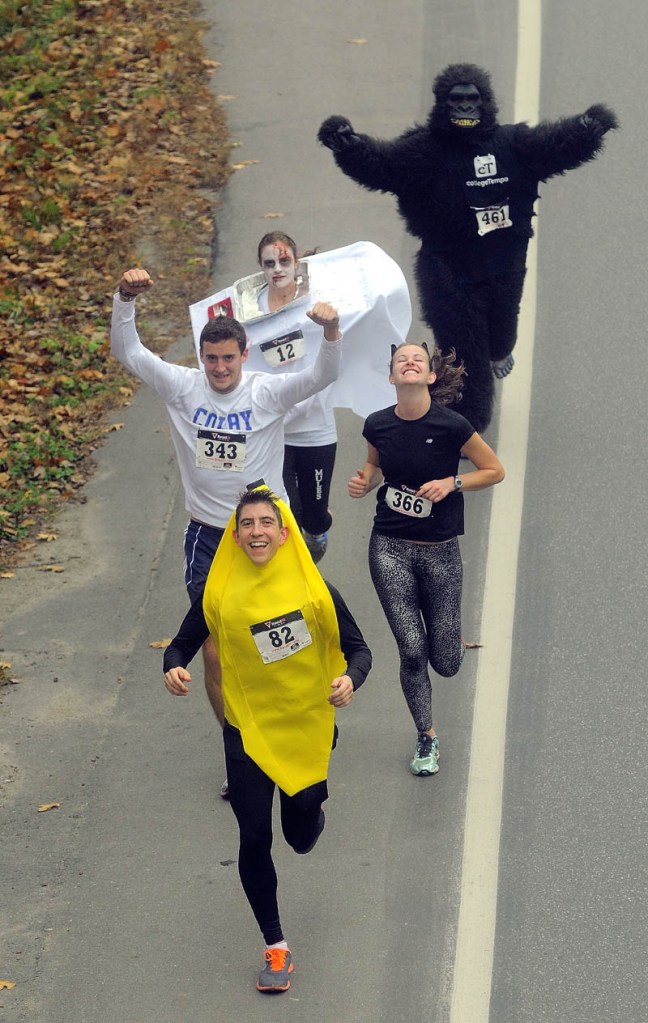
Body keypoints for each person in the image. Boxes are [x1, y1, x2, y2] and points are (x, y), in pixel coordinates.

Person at [111, 268, 343, 797]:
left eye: (228, 359)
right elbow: (130, 352)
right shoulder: (182, 387)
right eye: (211, 359)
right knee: (216, 651)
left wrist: (331, 333)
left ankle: (305, 717)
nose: (219, 368)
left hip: (269, 535)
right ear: (201, 357)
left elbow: (322, 375)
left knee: (288, 634)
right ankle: (241, 750)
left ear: (244, 356)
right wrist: (124, 299)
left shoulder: (267, 392)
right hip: (211, 538)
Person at [318, 63, 618, 432]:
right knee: (464, 353)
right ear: (442, 105)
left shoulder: (512, 144)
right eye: (456, 100)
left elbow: (555, 146)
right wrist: (348, 146)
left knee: (500, 338)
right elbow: (383, 166)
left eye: (471, 100)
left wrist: (587, 129)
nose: (464, 107)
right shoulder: (425, 149)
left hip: (505, 264)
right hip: (448, 268)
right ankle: (466, 428)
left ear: (485, 103)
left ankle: (498, 353)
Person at [163, 486, 372, 993]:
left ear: (283, 534)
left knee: (299, 837)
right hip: (247, 731)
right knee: (254, 837)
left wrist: (350, 680)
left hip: (304, 728)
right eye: (248, 524)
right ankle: (275, 946)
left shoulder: (315, 591)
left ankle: (311, 814)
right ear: (235, 536)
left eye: (266, 524)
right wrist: (173, 666)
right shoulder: (219, 592)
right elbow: (181, 643)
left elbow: (359, 650)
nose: (257, 532)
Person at [348, 342, 504, 776]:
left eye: (418, 359)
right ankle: (426, 736)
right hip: (389, 547)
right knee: (413, 651)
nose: (410, 362)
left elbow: (494, 470)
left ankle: (449, 640)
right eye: (401, 359)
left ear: (431, 376)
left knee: (446, 663)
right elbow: (374, 466)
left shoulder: (452, 425)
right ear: (392, 376)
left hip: (440, 552)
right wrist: (364, 480)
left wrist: (453, 483)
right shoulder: (377, 424)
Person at [255, 231, 337, 564]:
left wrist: (332, 324)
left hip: (315, 427)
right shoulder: (251, 309)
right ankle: (290, 572)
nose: (277, 269)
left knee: (313, 518)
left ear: (296, 262)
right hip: (276, 428)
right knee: (285, 509)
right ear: (260, 267)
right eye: (269, 263)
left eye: (284, 261)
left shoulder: (317, 301)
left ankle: (318, 526)